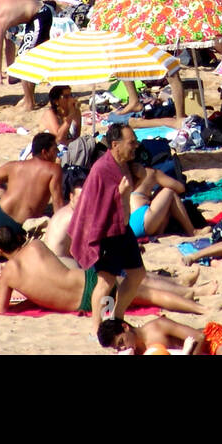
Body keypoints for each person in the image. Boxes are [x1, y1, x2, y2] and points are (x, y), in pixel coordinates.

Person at [0, 226, 212, 317]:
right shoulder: (36, 246)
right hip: (85, 280)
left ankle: (193, 297)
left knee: (144, 294)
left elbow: (2, 311)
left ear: (0, 250)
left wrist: (29, 300)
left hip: (82, 303)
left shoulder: (8, 274)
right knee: (138, 285)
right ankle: (196, 301)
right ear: (19, 238)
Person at [69, 124, 147, 335]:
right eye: (131, 142)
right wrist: (118, 194)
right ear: (115, 144)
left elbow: (129, 190)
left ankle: (117, 317)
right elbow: (95, 203)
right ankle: (96, 328)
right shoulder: (101, 168)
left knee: (137, 274)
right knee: (106, 280)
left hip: (123, 229)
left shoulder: (125, 164)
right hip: (106, 232)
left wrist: (140, 177)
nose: (135, 146)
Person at [98, 316, 222, 355]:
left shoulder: (157, 326)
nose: (123, 347)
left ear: (125, 327)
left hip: (212, 339)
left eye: (121, 342)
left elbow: (199, 337)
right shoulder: (132, 352)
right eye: (118, 348)